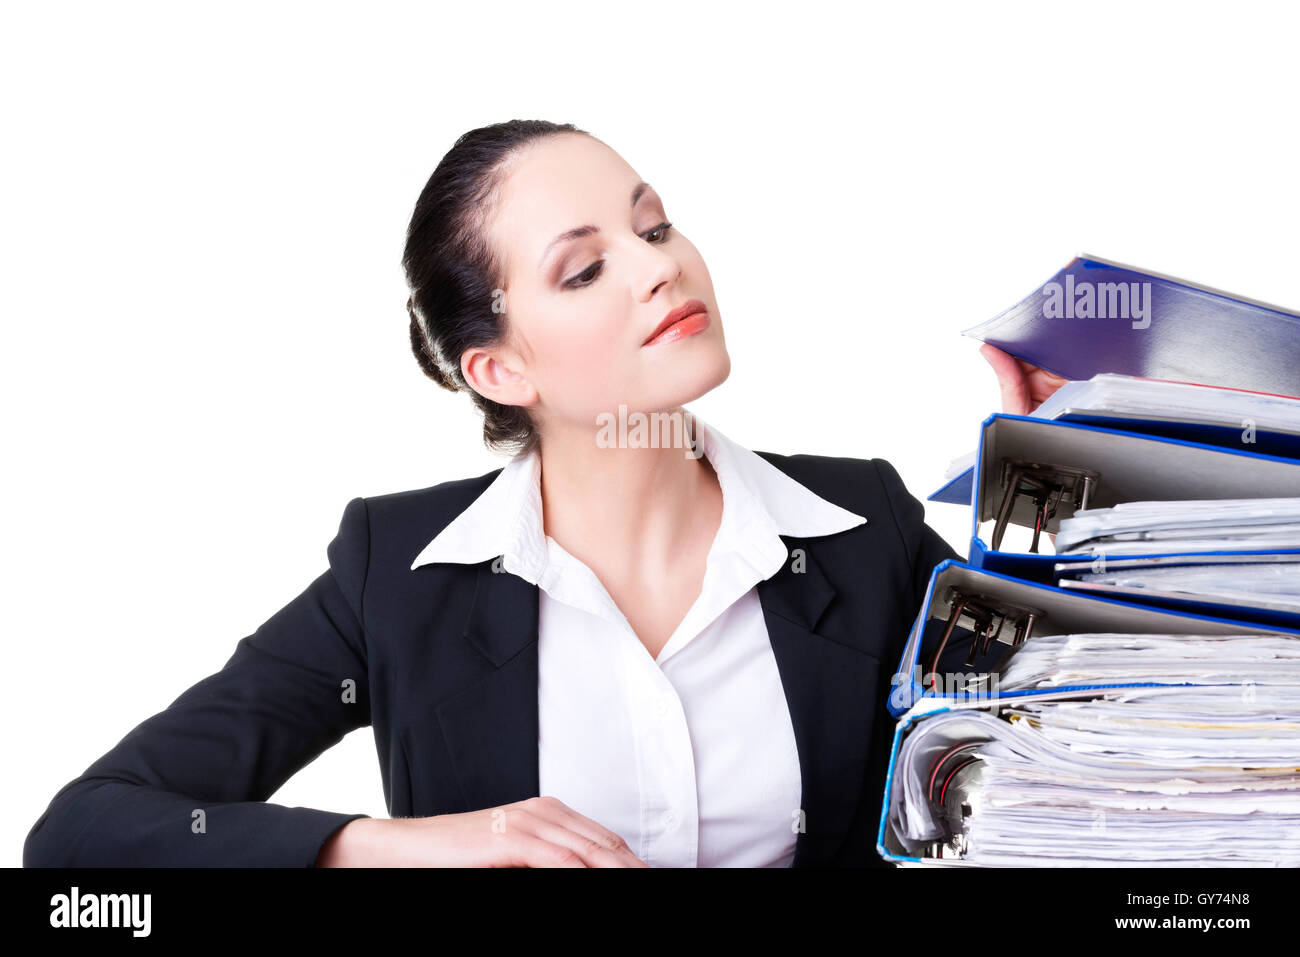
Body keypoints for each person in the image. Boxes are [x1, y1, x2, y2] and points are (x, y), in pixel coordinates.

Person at [23, 120, 1065, 869]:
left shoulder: (861, 531)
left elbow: (1097, 732)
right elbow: (84, 833)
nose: (657, 269)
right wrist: (403, 848)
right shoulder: (398, 572)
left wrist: (1082, 468)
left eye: (652, 228)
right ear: (501, 371)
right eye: (581, 270)